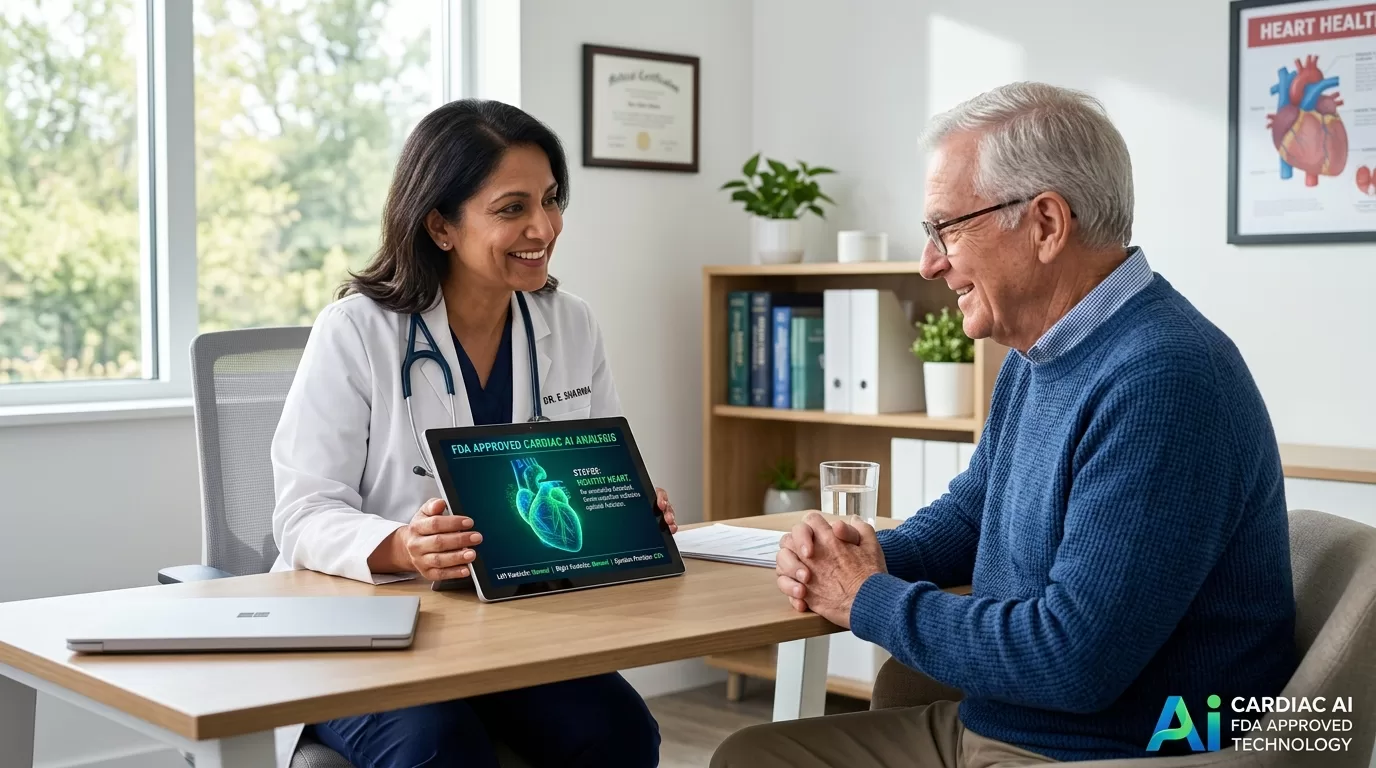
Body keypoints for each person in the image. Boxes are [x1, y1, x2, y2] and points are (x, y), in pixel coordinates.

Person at [713, 82, 1297, 767]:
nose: (930, 262)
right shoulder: (1041, 351)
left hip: (1105, 752)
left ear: (1046, 224)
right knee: (752, 755)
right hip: (1009, 728)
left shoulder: (1165, 379)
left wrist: (867, 597)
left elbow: (1073, 660)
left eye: (945, 229)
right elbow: (974, 515)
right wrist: (851, 557)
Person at [269, 99, 672, 768]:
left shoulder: (569, 325)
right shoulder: (358, 332)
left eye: (550, 200)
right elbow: (303, 513)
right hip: (377, 632)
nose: (543, 226)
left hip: (512, 630)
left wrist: (627, 512)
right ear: (440, 225)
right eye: (512, 208)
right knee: (439, 746)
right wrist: (400, 546)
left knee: (620, 733)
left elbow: (587, 469)